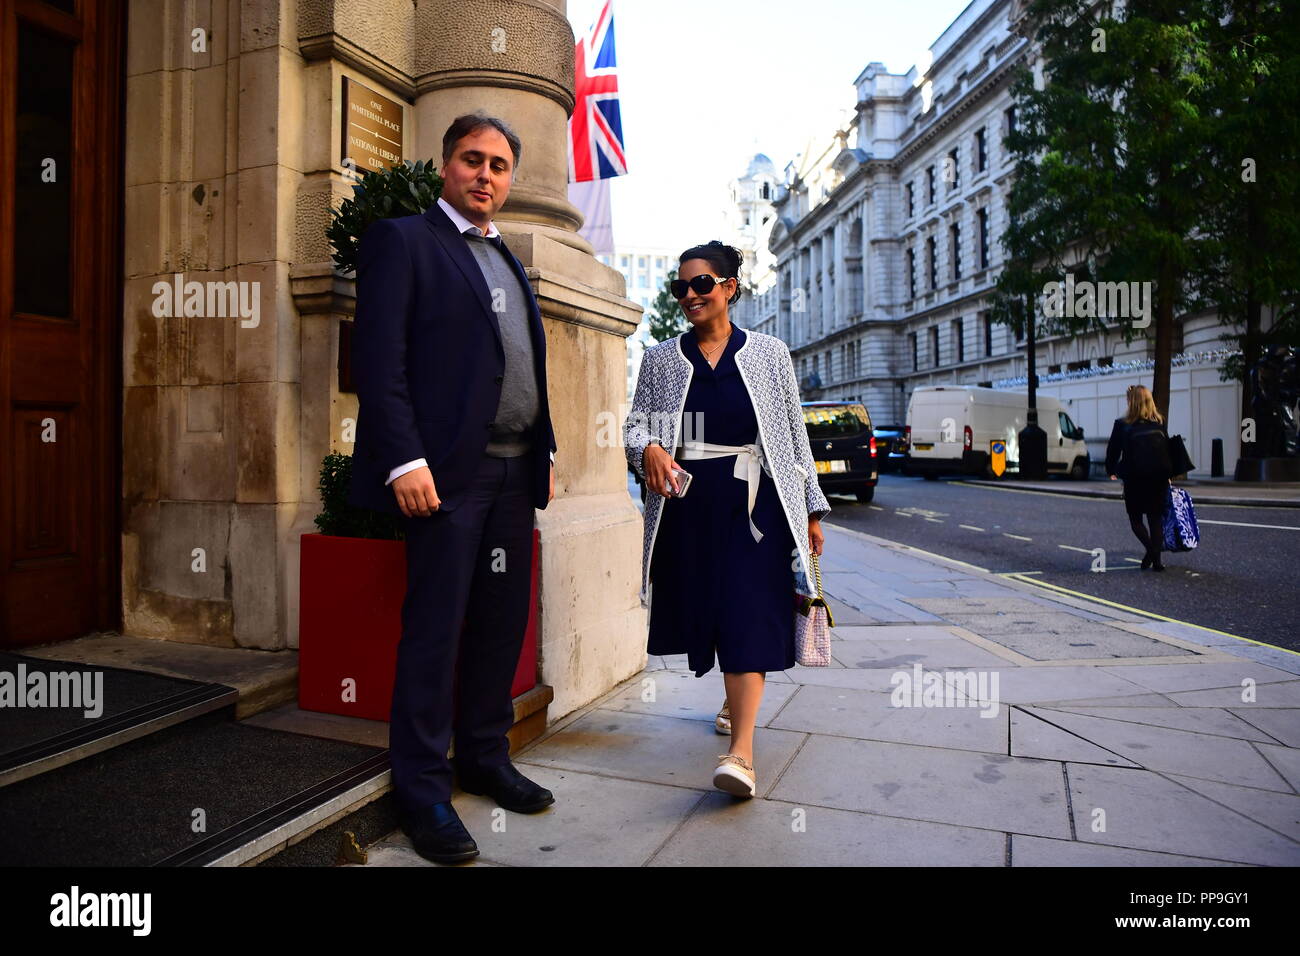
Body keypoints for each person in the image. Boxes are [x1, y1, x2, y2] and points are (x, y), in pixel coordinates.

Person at [348, 112, 558, 864]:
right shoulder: (404, 241)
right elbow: (379, 360)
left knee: (500, 623)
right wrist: (405, 461)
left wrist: (548, 446)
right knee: (436, 630)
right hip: (446, 479)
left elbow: (525, 364)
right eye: (473, 160)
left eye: (499, 166)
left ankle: (484, 755)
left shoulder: (505, 256)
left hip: (512, 473)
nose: (486, 175)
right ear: (445, 165)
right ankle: (422, 789)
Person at [624, 240, 831, 799]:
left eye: (702, 285)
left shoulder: (770, 354)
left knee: (746, 611)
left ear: (729, 288)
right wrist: (647, 451)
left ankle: (741, 752)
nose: (689, 295)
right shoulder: (662, 358)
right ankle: (730, 696)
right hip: (686, 509)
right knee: (707, 609)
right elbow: (634, 429)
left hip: (755, 508)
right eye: (681, 287)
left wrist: (811, 508)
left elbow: (792, 440)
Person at [1105, 384, 1173, 571]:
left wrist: (1111, 470)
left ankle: (1150, 550)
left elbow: (1113, 451)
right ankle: (1157, 561)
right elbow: (1166, 449)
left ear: (1131, 402)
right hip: (1158, 478)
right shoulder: (1159, 422)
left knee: (1135, 519)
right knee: (1155, 519)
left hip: (1135, 478)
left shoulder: (1122, 425)